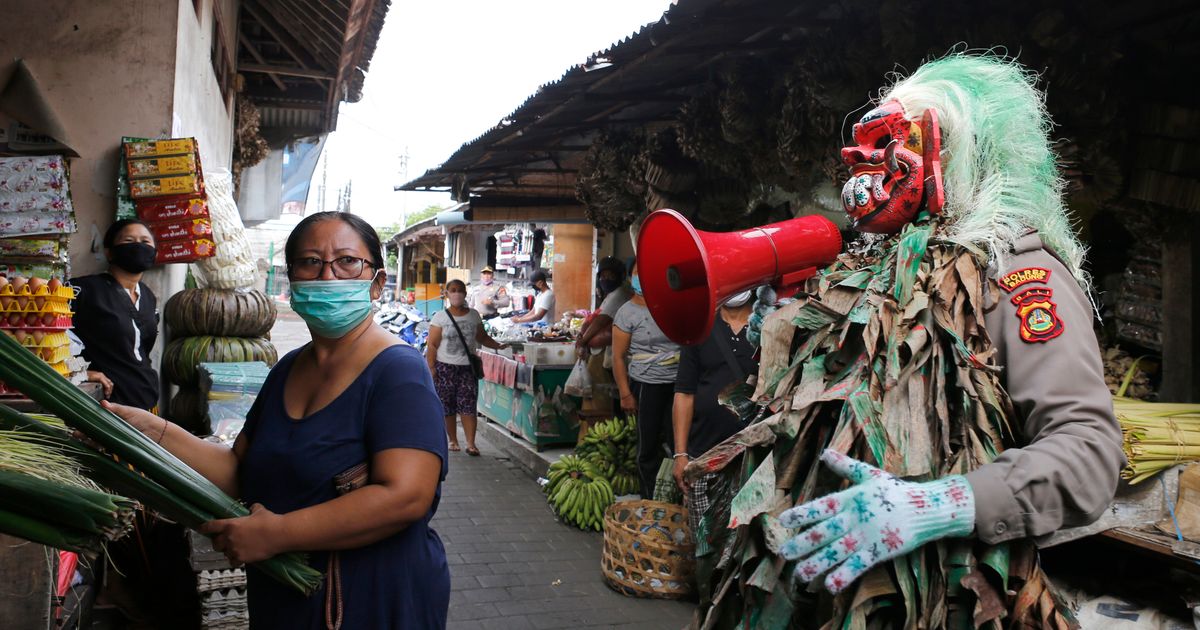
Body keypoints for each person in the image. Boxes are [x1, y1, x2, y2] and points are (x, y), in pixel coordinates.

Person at [687, 55, 1125, 628]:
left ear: (967, 153)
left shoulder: (1017, 274)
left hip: (939, 603)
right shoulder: (887, 265)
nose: (872, 165)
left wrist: (941, 505)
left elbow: (1089, 454)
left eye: (902, 139)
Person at [103, 211, 450, 629]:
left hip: (370, 598)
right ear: (293, 282)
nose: (327, 276)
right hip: (288, 598)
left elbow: (405, 496)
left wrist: (276, 533)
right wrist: (149, 430)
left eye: (346, 261)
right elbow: (237, 469)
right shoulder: (287, 369)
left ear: (376, 283)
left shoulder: (398, 370)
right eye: (309, 262)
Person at [671, 289, 757, 525]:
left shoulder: (767, 326)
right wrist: (680, 454)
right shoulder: (700, 328)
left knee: (743, 539)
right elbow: (684, 393)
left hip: (751, 457)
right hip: (703, 455)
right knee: (704, 540)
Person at [73, 219, 160, 411]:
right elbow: (49, 338)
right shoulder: (83, 290)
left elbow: (141, 351)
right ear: (109, 251)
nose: (138, 245)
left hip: (145, 404)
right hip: (105, 407)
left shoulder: (148, 296)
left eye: (145, 242)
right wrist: (81, 372)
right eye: (129, 240)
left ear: (154, 252)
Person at [612, 265, 681, 498]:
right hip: (645, 385)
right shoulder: (626, 313)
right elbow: (618, 358)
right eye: (636, 271)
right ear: (630, 277)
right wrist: (625, 393)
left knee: (678, 444)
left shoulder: (671, 306)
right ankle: (648, 499)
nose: (641, 276)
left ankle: (676, 499)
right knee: (647, 446)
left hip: (677, 384)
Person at [427, 279, 507, 456]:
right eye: (453, 290)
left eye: (460, 290)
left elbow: (482, 337)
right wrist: (431, 368)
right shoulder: (440, 317)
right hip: (444, 368)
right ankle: (453, 440)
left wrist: (497, 345)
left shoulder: (473, 315)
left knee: (468, 405)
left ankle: (471, 443)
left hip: (467, 369)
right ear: (447, 294)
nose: (457, 294)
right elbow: (432, 344)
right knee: (447, 406)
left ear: (465, 293)